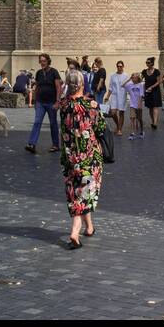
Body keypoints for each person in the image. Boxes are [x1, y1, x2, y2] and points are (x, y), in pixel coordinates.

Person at [59, 69, 108, 249]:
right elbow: (101, 126)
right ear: (81, 84)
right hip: (89, 156)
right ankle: (75, 231)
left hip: (70, 155)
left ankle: (89, 227)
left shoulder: (63, 105)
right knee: (85, 193)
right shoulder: (91, 105)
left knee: (77, 190)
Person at [25, 53, 61, 154]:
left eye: (44, 61)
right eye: (41, 61)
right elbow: (37, 87)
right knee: (37, 122)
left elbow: (58, 87)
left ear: (48, 61)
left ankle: (55, 145)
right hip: (40, 102)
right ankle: (31, 144)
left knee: (53, 123)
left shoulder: (54, 72)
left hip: (51, 102)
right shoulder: (39, 73)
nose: (42, 63)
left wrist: (58, 102)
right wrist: (35, 101)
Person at [105, 61, 128, 135]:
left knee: (121, 112)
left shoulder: (126, 76)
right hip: (114, 96)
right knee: (113, 112)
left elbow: (128, 86)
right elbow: (111, 87)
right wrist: (107, 96)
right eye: (118, 66)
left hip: (122, 96)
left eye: (121, 66)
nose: (119, 67)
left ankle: (120, 129)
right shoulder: (113, 76)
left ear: (123, 66)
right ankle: (118, 125)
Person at [142, 57, 162, 129]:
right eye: (146, 62)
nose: (147, 64)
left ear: (152, 63)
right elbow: (141, 80)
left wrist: (152, 87)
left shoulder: (156, 71)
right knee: (150, 108)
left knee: (155, 107)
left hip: (155, 91)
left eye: (148, 63)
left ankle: (155, 123)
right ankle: (153, 120)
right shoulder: (144, 71)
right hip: (147, 91)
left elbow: (159, 81)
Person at [125, 72, 144, 137]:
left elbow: (141, 95)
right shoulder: (130, 85)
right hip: (132, 104)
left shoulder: (140, 85)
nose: (133, 79)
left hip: (138, 104)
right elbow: (123, 85)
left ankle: (142, 131)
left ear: (137, 78)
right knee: (132, 118)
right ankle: (132, 133)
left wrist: (139, 104)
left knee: (139, 119)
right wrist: (129, 79)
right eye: (132, 77)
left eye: (134, 77)